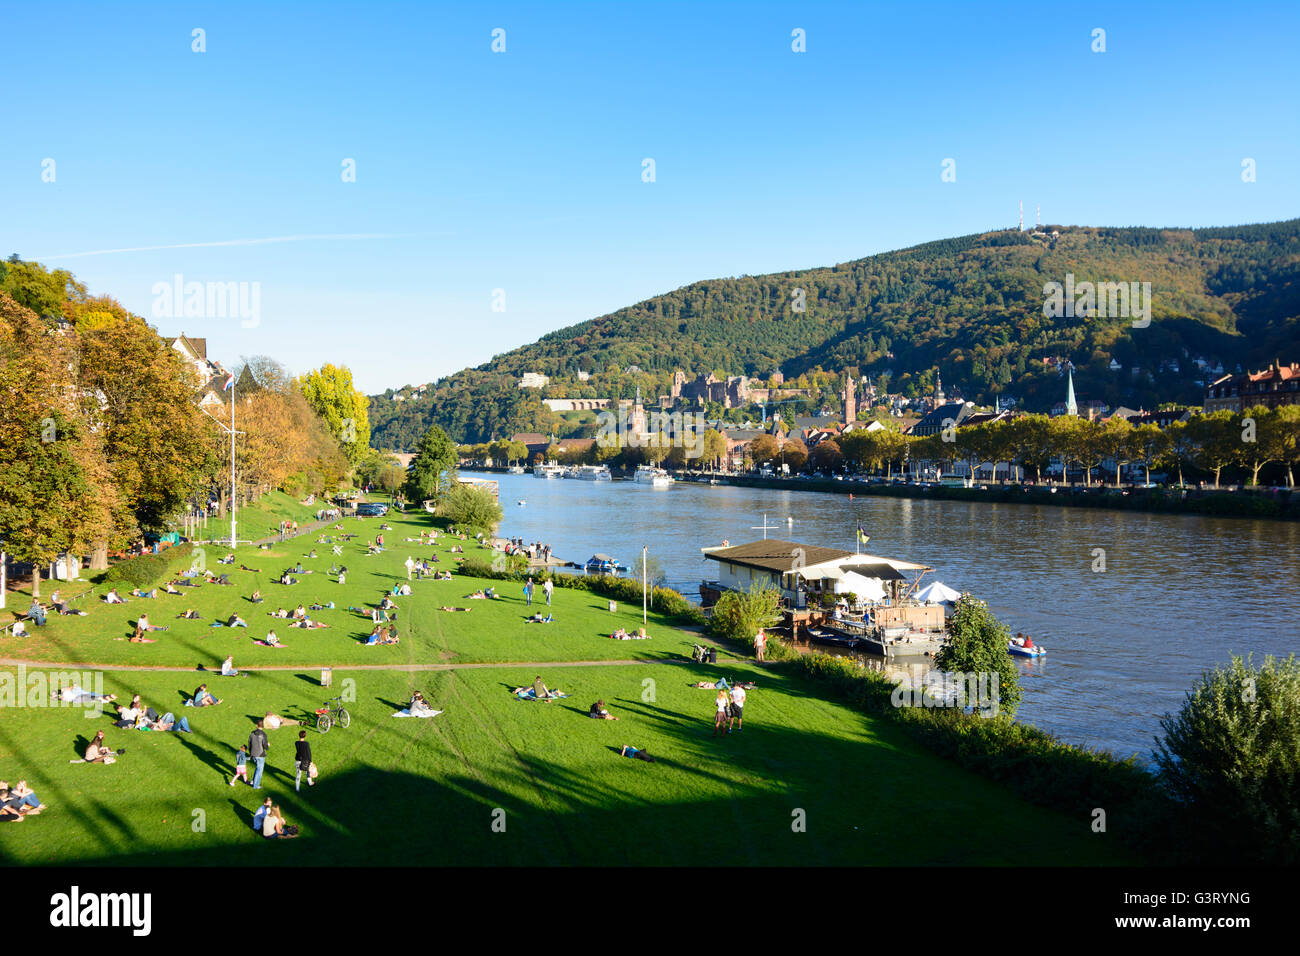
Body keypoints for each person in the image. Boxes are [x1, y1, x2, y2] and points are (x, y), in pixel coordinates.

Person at [248, 720, 269, 789]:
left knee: (257, 768)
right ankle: (255, 785)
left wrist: (250, 753)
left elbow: (249, 744)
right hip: (260, 754)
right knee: (259, 770)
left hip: (253, 753)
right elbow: (265, 745)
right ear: (263, 726)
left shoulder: (252, 733)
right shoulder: (263, 734)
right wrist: (268, 746)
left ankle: (253, 781)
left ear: (257, 725)